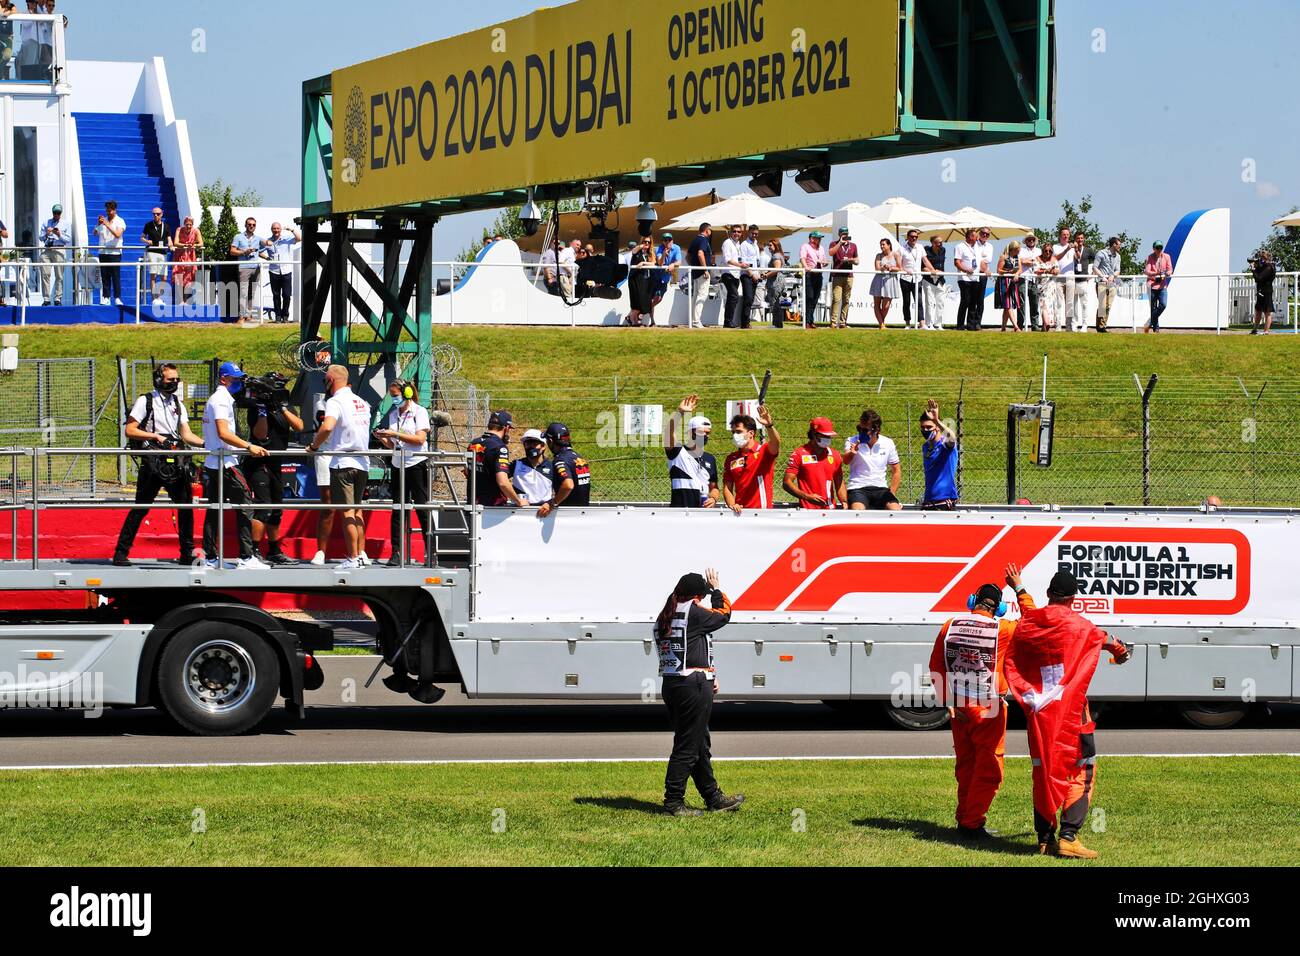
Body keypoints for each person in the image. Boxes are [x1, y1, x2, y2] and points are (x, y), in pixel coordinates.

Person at [1005, 570, 1132, 858]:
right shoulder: (1081, 627)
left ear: (1049, 594)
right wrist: (1121, 652)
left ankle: (1045, 838)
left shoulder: (1030, 624)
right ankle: (1069, 838)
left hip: (1040, 714)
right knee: (1081, 771)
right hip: (1073, 714)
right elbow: (1108, 640)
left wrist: (1019, 586)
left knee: (1044, 771)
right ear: (1074, 599)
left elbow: (1029, 611)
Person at [928, 563, 1037, 841]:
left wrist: (946, 700)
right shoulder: (1004, 628)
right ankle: (972, 824)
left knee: (966, 765)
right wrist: (1020, 587)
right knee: (989, 769)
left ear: (972, 602)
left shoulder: (949, 625)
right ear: (999, 608)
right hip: (989, 707)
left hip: (958, 708)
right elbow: (1035, 621)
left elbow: (936, 665)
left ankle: (965, 819)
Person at [654, 568, 743, 816]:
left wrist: (708, 672)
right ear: (696, 596)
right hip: (692, 685)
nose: (702, 600)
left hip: (673, 684)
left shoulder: (667, 614)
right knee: (687, 746)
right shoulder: (692, 611)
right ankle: (673, 803)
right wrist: (716, 589)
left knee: (698, 743)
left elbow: (687, 649)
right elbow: (723, 615)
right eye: (701, 596)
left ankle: (713, 797)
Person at [112, 363, 206, 566]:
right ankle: (121, 553)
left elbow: (186, 433)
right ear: (158, 380)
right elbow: (130, 429)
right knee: (141, 507)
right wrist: (156, 436)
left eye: (176, 379)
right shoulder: (145, 401)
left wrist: (206, 444)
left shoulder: (178, 404)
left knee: (186, 506)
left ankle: (186, 553)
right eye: (170, 379)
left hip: (175, 462)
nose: (174, 383)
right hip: (153, 462)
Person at [199, 362, 269, 569]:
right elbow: (223, 432)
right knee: (246, 505)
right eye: (235, 379)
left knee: (214, 509)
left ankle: (210, 557)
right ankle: (246, 557)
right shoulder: (221, 400)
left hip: (215, 462)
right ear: (224, 379)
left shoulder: (220, 398)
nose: (238, 383)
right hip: (225, 462)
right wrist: (250, 446)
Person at [304, 365, 373, 571]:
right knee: (357, 511)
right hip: (362, 462)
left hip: (343, 463)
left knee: (346, 513)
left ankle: (353, 557)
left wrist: (314, 446)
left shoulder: (335, 401)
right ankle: (360, 553)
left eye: (326, 380)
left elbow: (327, 426)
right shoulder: (361, 402)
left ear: (331, 380)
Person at [244, 378, 305, 566]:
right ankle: (253, 551)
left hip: (276, 462)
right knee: (263, 507)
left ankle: (274, 550)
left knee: (276, 510)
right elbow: (260, 435)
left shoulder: (283, 407)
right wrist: (263, 410)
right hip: (258, 463)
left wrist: (283, 407)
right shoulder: (256, 407)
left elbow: (299, 426)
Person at [375, 378, 432, 565]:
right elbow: (393, 444)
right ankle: (396, 552)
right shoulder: (394, 415)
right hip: (398, 463)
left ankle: (430, 551)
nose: (394, 399)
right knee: (398, 510)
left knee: (422, 508)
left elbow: (419, 439)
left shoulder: (420, 411)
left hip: (416, 463)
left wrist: (395, 434)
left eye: (396, 396)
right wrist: (383, 437)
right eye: (391, 396)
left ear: (406, 393)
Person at [721, 404, 780, 512]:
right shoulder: (731, 458)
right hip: (741, 513)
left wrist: (769, 426)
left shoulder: (764, 451)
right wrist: (732, 504)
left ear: (751, 433)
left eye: (738, 431)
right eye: (733, 432)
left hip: (763, 512)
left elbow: (776, 443)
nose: (735, 435)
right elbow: (727, 487)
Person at [665, 395, 719, 508]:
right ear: (690, 433)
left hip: (702, 514)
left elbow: (714, 488)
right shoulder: (678, 452)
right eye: (701, 431)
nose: (705, 435)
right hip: (679, 514)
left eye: (707, 433)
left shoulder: (710, 458)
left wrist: (713, 498)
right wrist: (680, 412)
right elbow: (668, 434)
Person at [843, 409, 902, 510]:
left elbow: (896, 470)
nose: (861, 433)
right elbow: (846, 461)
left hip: (881, 487)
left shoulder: (887, 443)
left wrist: (891, 493)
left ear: (877, 430)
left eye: (865, 430)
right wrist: (852, 453)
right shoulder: (852, 440)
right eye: (859, 429)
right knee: (858, 511)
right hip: (858, 487)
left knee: (895, 509)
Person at [783, 417, 844, 509]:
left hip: (831, 511)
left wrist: (844, 501)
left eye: (829, 436)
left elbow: (839, 482)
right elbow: (787, 482)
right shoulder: (799, 454)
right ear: (814, 434)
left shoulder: (835, 455)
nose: (828, 439)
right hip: (808, 512)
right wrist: (807, 497)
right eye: (824, 436)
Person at [467, 409, 523, 507]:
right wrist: (518, 501)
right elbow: (503, 482)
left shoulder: (473, 443)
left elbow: (467, 472)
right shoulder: (499, 447)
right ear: (507, 428)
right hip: (492, 507)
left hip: (472, 503)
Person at [541, 421, 591, 517]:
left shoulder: (561, 460)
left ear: (551, 441)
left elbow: (568, 485)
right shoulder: (579, 458)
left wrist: (553, 503)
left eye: (547, 440)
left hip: (568, 514)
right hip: (584, 512)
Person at [919, 400, 959, 510]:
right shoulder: (925, 446)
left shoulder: (945, 445)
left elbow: (952, 437)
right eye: (922, 427)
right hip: (928, 501)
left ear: (936, 427)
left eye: (928, 427)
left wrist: (936, 420)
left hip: (943, 501)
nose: (925, 430)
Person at [230, 216, 268, 321]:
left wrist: (269, 245)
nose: (251, 226)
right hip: (244, 267)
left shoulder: (258, 238)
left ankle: (249, 315)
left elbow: (263, 248)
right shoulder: (238, 237)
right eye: (249, 224)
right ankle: (241, 316)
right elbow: (232, 251)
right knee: (243, 292)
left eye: (253, 225)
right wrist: (244, 252)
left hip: (256, 268)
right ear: (245, 225)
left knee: (252, 293)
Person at [509, 428, 554, 512]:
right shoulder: (516, 464)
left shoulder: (552, 466)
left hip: (544, 511)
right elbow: (500, 479)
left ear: (543, 446)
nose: (530, 446)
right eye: (527, 443)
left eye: (534, 443)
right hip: (519, 511)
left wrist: (551, 503)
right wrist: (515, 498)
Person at [266, 221, 301, 323]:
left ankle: (285, 315)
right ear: (271, 229)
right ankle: (278, 316)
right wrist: (267, 258)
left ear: (280, 229)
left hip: (286, 271)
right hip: (274, 271)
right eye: (274, 228)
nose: (276, 230)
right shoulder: (268, 241)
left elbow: (299, 238)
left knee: (286, 295)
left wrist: (292, 229)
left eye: (278, 228)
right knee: (276, 295)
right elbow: (259, 251)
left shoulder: (286, 239)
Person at [95, 200, 126, 305]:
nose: (108, 213)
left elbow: (118, 234)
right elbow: (95, 233)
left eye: (110, 211)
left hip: (115, 252)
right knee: (105, 276)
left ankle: (117, 298)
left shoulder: (120, 221)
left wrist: (107, 225)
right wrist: (98, 224)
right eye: (107, 211)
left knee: (115, 276)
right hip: (103, 251)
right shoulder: (104, 221)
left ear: (115, 210)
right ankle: (106, 297)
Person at [828, 226, 859, 329]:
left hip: (849, 276)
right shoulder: (834, 243)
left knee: (846, 299)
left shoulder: (853, 245)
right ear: (839, 234)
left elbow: (857, 261)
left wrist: (851, 260)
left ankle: (842, 322)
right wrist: (840, 243)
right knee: (836, 299)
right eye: (843, 234)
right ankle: (833, 322)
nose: (844, 235)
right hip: (837, 275)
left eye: (846, 234)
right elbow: (831, 253)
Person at [38, 203, 68, 306]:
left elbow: (67, 240)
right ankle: (46, 299)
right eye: (55, 213)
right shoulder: (46, 222)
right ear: (52, 213)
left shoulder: (65, 223)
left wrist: (59, 234)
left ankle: (57, 298)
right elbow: (40, 238)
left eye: (58, 213)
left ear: (61, 213)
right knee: (45, 274)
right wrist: (47, 233)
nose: (57, 215)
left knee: (59, 275)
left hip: (59, 249)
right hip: (47, 249)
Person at [141, 207, 171, 304]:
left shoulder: (166, 226)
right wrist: (147, 241)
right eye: (154, 214)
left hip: (162, 252)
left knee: (164, 277)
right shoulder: (148, 225)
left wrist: (171, 244)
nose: (155, 215)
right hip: (152, 252)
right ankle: (155, 299)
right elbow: (142, 237)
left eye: (158, 214)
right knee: (153, 275)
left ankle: (161, 298)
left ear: (161, 214)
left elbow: (169, 238)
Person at [869, 238, 901, 330]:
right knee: (877, 304)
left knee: (886, 305)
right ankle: (881, 324)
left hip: (890, 281)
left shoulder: (896, 254)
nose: (882, 246)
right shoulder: (879, 255)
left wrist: (890, 267)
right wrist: (882, 268)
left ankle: (881, 322)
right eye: (881, 244)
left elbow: (899, 268)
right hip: (879, 280)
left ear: (889, 245)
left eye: (883, 244)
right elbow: (877, 268)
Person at [686, 223, 712, 329]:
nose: (711, 232)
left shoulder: (694, 240)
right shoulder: (703, 240)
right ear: (707, 230)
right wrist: (705, 269)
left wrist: (693, 266)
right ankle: (696, 321)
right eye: (710, 230)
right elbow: (700, 253)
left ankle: (693, 320)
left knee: (696, 296)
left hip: (696, 272)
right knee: (702, 295)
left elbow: (688, 256)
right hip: (702, 273)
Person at [953, 228, 980, 331]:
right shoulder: (960, 246)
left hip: (975, 278)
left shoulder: (977, 248)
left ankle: (971, 325)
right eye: (975, 236)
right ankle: (960, 325)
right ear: (970, 237)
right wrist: (965, 270)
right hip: (964, 278)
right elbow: (957, 262)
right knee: (965, 301)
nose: (977, 238)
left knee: (973, 302)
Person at [800, 231, 828, 327]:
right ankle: (807, 321)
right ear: (812, 238)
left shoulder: (821, 248)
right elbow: (802, 258)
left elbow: (824, 260)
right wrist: (806, 266)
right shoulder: (805, 246)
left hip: (819, 275)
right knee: (810, 297)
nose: (820, 240)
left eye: (820, 238)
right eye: (818, 238)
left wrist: (825, 262)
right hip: (809, 274)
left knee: (815, 299)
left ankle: (810, 320)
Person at [1143, 240, 1172, 334]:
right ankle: (1156, 330)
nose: (1159, 249)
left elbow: (1170, 269)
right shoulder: (1149, 257)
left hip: (1162, 285)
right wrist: (1156, 273)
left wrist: (1167, 273)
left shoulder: (1167, 256)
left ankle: (1149, 322)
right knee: (1153, 307)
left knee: (1163, 304)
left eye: (1161, 248)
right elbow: (1147, 271)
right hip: (1151, 285)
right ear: (1153, 248)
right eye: (1157, 248)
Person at [1093, 236, 1122, 333]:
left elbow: (1118, 270)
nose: (1120, 247)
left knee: (1108, 305)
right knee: (1102, 305)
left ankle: (1102, 326)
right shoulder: (1101, 253)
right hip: (1101, 282)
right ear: (1114, 244)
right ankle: (1099, 326)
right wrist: (1102, 277)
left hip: (1112, 283)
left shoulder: (1118, 256)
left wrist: (1113, 276)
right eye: (1119, 245)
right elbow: (1095, 267)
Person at [626, 236, 656, 327]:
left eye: (648, 242)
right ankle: (634, 321)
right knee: (637, 301)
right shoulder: (637, 252)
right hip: (635, 279)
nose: (647, 244)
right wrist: (641, 246)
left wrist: (643, 263)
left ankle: (630, 318)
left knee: (644, 302)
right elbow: (634, 250)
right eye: (645, 242)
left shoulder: (650, 254)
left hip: (645, 280)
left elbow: (654, 263)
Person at [171, 215, 202, 303]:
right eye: (187, 224)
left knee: (189, 278)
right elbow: (175, 242)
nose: (188, 226)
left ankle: (186, 300)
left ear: (192, 225)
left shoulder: (196, 231)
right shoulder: (179, 229)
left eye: (190, 224)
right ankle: (181, 300)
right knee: (179, 277)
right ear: (184, 224)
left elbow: (201, 243)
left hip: (190, 256)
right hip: (179, 255)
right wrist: (185, 245)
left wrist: (193, 245)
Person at [898, 228, 925, 329]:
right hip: (905, 278)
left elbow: (925, 260)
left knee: (919, 301)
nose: (914, 238)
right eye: (912, 236)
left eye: (916, 237)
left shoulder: (920, 247)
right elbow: (899, 263)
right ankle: (907, 323)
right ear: (907, 237)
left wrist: (933, 270)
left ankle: (922, 323)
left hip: (917, 278)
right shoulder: (902, 248)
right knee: (906, 301)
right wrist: (904, 271)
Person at [719, 224, 744, 328]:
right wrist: (741, 265)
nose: (736, 233)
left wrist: (743, 264)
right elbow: (727, 259)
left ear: (741, 233)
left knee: (733, 297)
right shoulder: (727, 243)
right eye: (734, 231)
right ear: (730, 232)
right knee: (733, 296)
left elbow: (738, 259)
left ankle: (729, 321)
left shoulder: (738, 244)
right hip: (728, 273)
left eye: (738, 232)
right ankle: (728, 322)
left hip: (736, 274)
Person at [760, 239, 789, 328]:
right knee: (776, 303)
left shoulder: (776, 256)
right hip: (777, 281)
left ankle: (777, 324)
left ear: (776, 246)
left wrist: (766, 275)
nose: (769, 247)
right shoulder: (779, 255)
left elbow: (777, 269)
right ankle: (776, 323)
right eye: (768, 245)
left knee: (775, 303)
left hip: (776, 282)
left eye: (770, 245)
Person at [1051, 227, 1076, 330]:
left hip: (1070, 277)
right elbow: (1056, 258)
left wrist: (1077, 248)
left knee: (1070, 303)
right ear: (1060, 236)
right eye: (1064, 234)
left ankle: (1069, 326)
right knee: (1058, 303)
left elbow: (1078, 258)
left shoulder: (1073, 247)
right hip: (1059, 277)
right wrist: (1067, 249)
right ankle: (1058, 326)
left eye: (1067, 234)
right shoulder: (1055, 247)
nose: (1066, 236)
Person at [995, 240, 1023, 331]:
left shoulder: (1017, 258)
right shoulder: (1004, 257)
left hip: (1013, 283)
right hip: (1004, 282)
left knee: (1008, 305)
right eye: (1018, 249)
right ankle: (1015, 326)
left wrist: (1016, 274)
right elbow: (999, 270)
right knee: (1008, 305)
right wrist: (1008, 272)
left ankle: (1003, 327)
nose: (1019, 250)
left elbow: (1020, 269)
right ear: (1013, 249)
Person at [971, 227, 995, 331]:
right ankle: (970, 323)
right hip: (972, 274)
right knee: (971, 300)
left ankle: (977, 323)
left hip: (982, 275)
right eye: (983, 233)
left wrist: (983, 268)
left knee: (980, 300)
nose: (985, 235)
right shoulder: (973, 244)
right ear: (979, 233)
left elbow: (985, 261)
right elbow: (975, 260)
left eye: (987, 234)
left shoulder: (990, 246)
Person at [1070, 232, 1095, 333]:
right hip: (1072, 280)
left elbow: (1098, 260)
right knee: (1074, 305)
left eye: (1081, 238)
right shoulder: (1071, 249)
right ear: (1075, 239)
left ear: (1084, 239)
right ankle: (1074, 325)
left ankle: (1084, 325)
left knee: (1084, 304)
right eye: (1078, 238)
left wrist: (1092, 273)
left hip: (1084, 281)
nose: (1080, 240)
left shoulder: (1088, 250)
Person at [1018, 234, 1042, 331]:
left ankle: (1035, 325)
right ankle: (1020, 325)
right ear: (1026, 241)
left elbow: (1040, 262)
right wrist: (1032, 261)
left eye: (1032, 240)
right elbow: (1021, 261)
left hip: (1034, 279)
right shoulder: (1022, 250)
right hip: (1023, 278)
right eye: (1029, 240)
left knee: (1034, 303)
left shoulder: (1039, 250)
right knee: (1021, 303)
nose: (1031, 241)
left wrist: (1029, 261)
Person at [653, 231, 681, 315]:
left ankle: (644, 311)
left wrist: (673, 264)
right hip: (655, 277)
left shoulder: (676, 248)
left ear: (672, 240)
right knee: (654, 298)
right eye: (665, 240)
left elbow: (679, 262)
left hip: (665, 278)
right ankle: (649, 318)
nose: (668, 241)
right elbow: (660, 263)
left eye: (669, 239)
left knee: (659, 298)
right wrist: (664, 254)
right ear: (663, 242)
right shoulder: (659, 249)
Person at [922, 235, 947, 330]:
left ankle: (938, 324)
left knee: (941, 302)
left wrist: (940, 272)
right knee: (930, 302)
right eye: (938, 242)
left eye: (941, 242)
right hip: (929, 280)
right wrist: (932, 270)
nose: (940, 244)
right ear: (932, 243)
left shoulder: (943, 250)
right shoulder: (926, 251)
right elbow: (922, 267)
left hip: (940, 280)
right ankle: (929, 324)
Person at [1036, 242, 1062, 330]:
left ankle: (1045, 325)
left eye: (1050, 251)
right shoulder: (1038, 259)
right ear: (1042, 251)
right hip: (1041, 286)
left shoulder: (1054, 259)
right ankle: (1046, 323)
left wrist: (1053, 271)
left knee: (1050, 306)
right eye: (1046, 251)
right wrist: (1047, 271)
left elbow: (1057, 271)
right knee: (1043, 305)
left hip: (1051, 286)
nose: (1048, 253)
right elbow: (1036, 270)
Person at [1251, 249, 1276, 335]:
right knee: (1258, 311)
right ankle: (1255, 329)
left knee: (1267, 312)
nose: (1261, 261)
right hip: (1261, 291)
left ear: (1267, 259)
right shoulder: (1263, 266)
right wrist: (1255, 267)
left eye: (1263, 259)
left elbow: (1258, 278)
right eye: (1261, 259)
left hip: (1266, 291)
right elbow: (1257, 276)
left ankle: (1266, 331)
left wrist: (1253, 269)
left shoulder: (1269, 267)